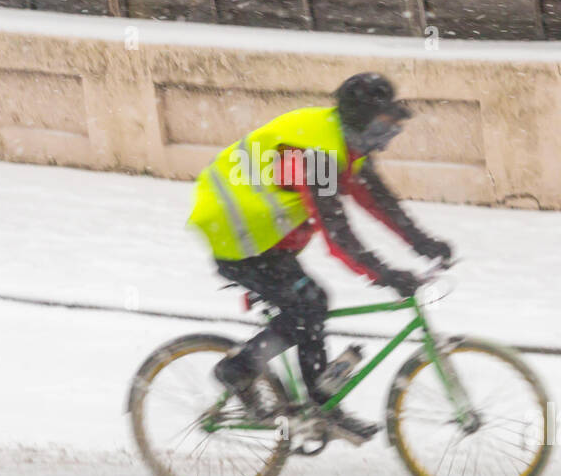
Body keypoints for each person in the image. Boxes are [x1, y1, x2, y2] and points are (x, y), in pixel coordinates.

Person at [186, 72, 452, 445]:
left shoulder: (348, 145)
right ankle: (238, 370)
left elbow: (381, 203)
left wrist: (424, 243)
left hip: (266, 236)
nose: (387, 136)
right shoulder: (320, 156)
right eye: (382, 125)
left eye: (392, 126)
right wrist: (385, 274)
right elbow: (337, 234)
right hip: (236, 233)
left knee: (312, 303)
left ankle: (319, 407)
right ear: (360, 121)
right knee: (306, 307)